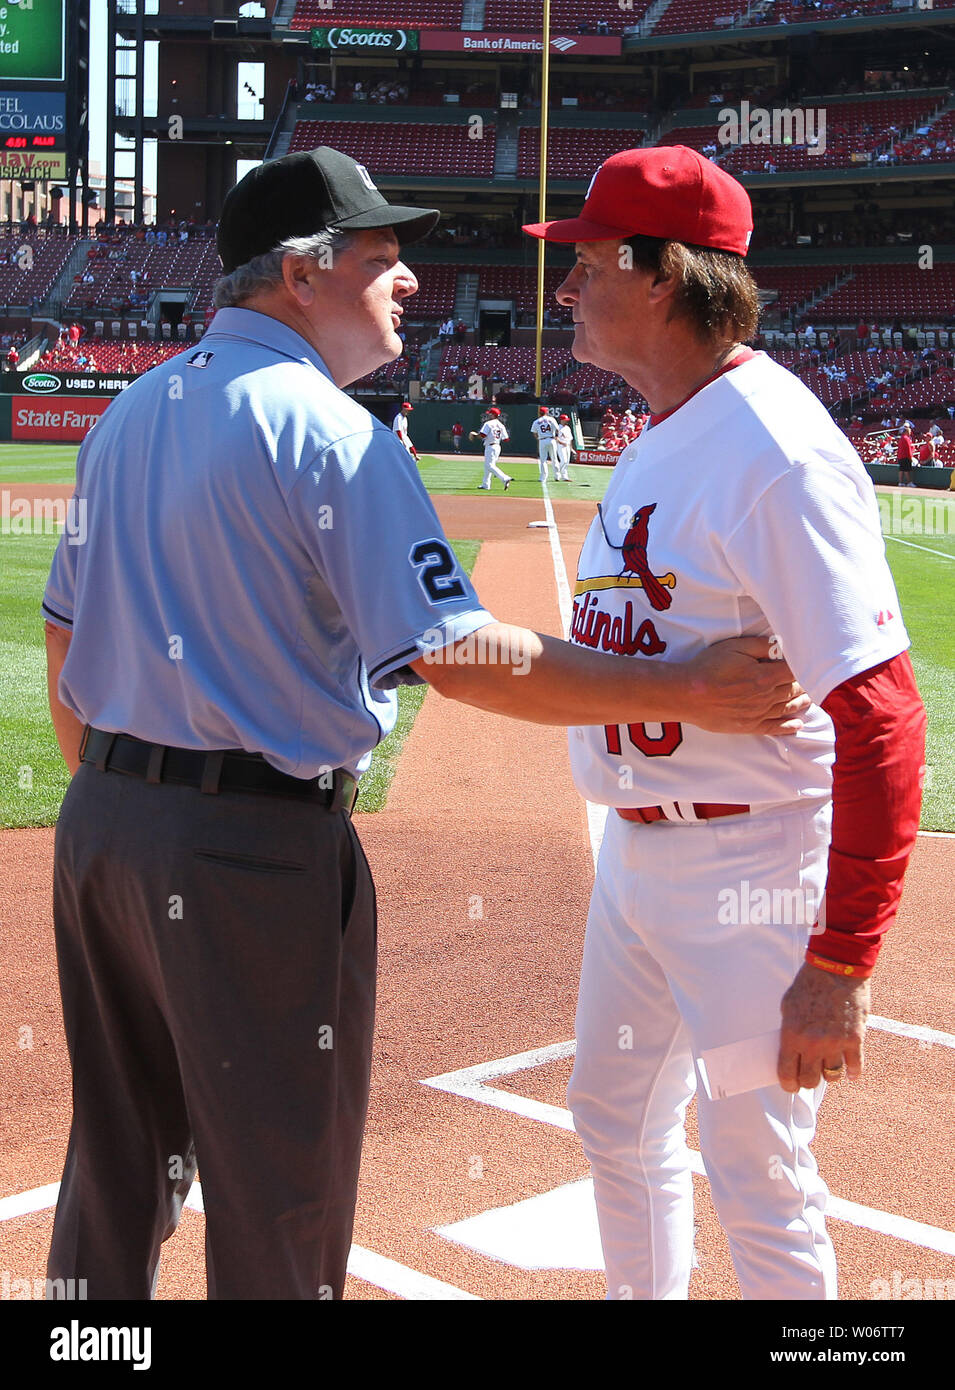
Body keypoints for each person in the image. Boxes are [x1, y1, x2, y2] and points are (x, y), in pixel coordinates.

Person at [43, 147, 807, 1301]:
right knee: (278, 1184)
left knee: (113, 1163)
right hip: (252, 850)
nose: (410, 283)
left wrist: (133, 806)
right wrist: (688, 688)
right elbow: (461, 657)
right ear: (301, 276)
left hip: (101, 828)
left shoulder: (135, 407)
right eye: (381, 258)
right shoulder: (336, 436)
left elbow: (63, 640)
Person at [523, 145, 926, 1301]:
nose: (565, 288)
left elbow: (885, 718)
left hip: (750, 849)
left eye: (587, 262)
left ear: (661, 276)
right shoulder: (661, 432)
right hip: (636, 851)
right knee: (608, 1112)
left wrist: (839, 958)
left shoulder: (775, 450)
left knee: (756, 1166)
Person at [470, 406, 513, 491]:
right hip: (497, 446)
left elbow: (482, 435)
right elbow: (506, 439)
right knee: (488, 466)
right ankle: (486, 485)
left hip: (490, 446)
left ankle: (505, 478)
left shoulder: (488, 423)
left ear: (493, 415)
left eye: (489, 414)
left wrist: (474, 435)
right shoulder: (501, 425)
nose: (488, 415)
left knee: (489, 465)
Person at [531, 405, 560, 483]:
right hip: (551, 439)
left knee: (543, 460)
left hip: (542, 440)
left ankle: (543, 477)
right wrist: (556, 436)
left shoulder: (536, 421)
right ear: (546, 412)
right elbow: (557, 429)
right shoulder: (551, 419)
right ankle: (557, 476)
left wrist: (539, 438)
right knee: (554, 458)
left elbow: (534, 433)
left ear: (540, 413)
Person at [555, 413, 573, 481]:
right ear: (561, 420)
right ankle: (557, 473)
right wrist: (562, 443)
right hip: (560, 446)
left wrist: (571, 448)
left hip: (567, 446)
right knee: (564, 460)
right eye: (565, 420)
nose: (567, 421)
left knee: (567, 462)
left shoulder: (568, 428)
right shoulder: (558, 427)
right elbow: (555, 438)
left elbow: (570, 439)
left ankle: (565, 476)